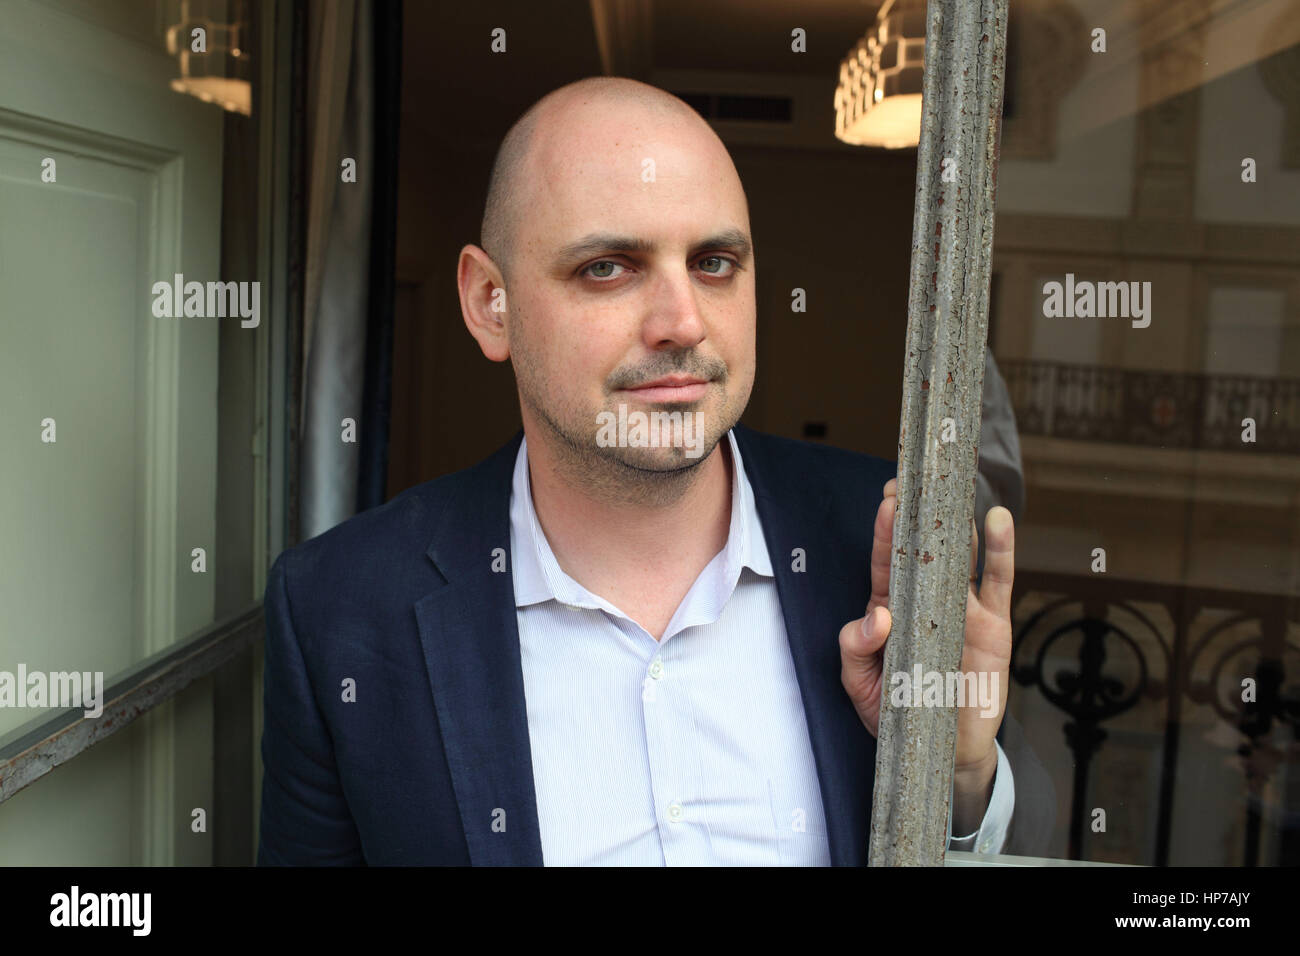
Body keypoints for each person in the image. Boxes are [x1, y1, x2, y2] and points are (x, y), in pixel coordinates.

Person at [258, 76, 1053, 865]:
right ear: (489, 302)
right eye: (608, 267)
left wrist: (952, 777)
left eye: (713, 263)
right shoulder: (342, 612)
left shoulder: (885, 543)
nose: (682, 322)